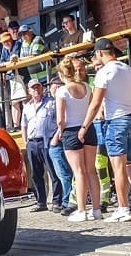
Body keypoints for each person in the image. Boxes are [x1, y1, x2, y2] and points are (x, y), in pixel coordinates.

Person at [79, 38, 131, 222]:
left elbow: (95, 103)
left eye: (95, 54)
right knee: (130, 163)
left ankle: (123, 208)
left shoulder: (104, 73)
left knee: (118, 166)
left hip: (116, 121)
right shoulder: (128, 69)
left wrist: (85, 126)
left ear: (100, 53)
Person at [54, 58, 101, 222]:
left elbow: (60, 119)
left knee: (79, 172)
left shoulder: (62, 91)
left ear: (61, 74)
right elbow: (91, 109)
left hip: (71, 130)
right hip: (88, 128)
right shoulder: (87, 87)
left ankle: (82, 210)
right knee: (91, 171)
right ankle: (96, 209)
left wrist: (60, 131)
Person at [20, 79, 61, 213]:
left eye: (38, 87)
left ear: (42, 88)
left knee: (53, 172)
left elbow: (59, 119)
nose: (36, 90)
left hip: (47, 140)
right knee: (36, 174)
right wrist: (26, 141)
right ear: (29, 91)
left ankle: (57, 201)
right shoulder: (27, 106)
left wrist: (56, 136)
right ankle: (41, 201)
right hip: (32, 142)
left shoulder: (51, 102)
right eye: (33, 88)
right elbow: (24, 125)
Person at [46, 76, 76, 217]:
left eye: (54, 86)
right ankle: (65, 200)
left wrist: (57, 135)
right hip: (49, 142)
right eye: (51, 86)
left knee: (64, 174)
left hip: (58, 140)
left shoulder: (62, 100)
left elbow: (62, 120)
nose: (52, 88)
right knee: (59, 174)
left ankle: (67, 201)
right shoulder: (51, 102)